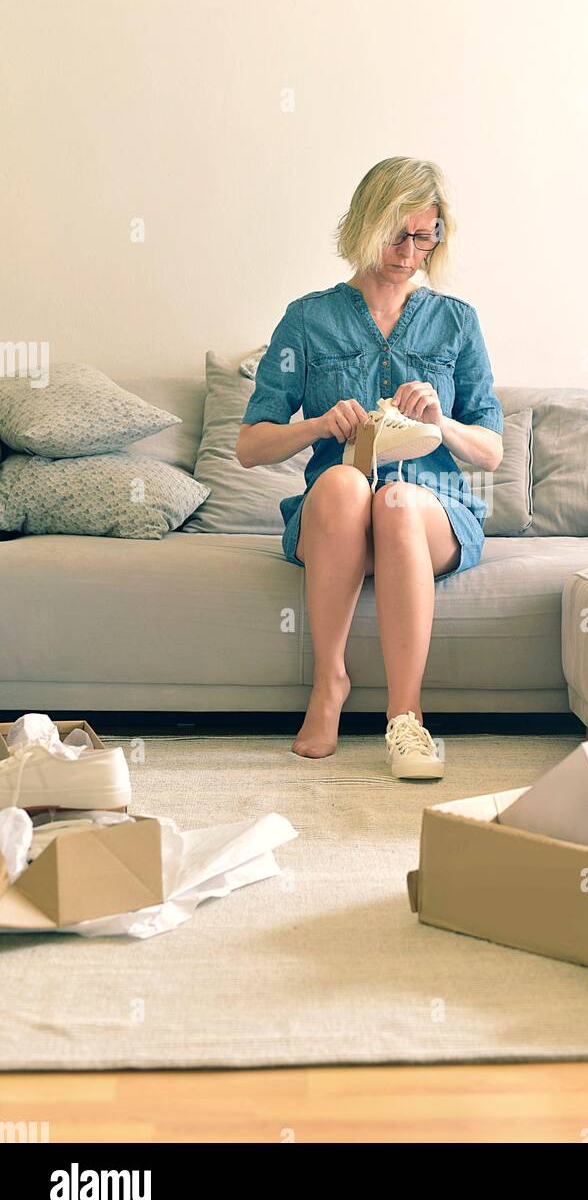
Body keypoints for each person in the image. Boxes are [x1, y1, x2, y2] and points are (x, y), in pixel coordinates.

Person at [236, 157, 503, 776]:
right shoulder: (308, 318)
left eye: (424, 236)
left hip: (430, 513)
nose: (410, 251)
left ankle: (405, 720)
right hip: (335, 518)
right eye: (397, 234)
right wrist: (317, 424)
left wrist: (442, 423)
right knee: (341, 481)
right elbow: (251, 446)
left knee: (399, 500)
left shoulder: (457, 321)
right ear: (364, 225)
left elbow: (490, 449)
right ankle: (329, 686)